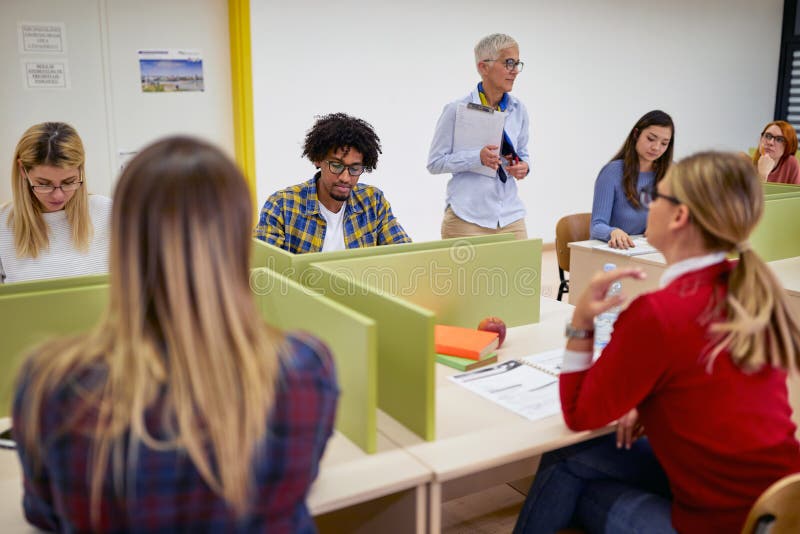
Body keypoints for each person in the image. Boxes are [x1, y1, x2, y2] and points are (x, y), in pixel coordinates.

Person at [13, 137, 339, 531]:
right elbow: (304, 478)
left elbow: (44, 514)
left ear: (123, 244)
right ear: (238, 242)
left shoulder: (53, 384)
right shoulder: (304, 367)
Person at [515, 152, 800, 533]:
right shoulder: (749, 288)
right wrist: (650, 402)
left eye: (657, 198)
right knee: (577, 458)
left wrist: (581, 322)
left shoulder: (659, 313)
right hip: (779, 506)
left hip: (719, 522)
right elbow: (709, 387)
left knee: (575, 476)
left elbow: (579, 414)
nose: (647, 207)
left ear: (679, 217)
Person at [254, 113, 411, 253]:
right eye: (336, 165)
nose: (345, 177)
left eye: (354, 168)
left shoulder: (373, 202)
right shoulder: (282, 205)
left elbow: (403, 256)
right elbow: (263, 270)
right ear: (318, 159)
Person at [427, 33, 530, 240]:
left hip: (511, 216)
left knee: (521, 272)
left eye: (517, 64)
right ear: (483, 67)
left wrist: (524, 167)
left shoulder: (519, 110)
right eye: (509, 63)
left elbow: (523, 154)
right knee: (465, 274)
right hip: (467, 218)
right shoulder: (456, 110)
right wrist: (477, 158)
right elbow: (435, 163)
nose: (515, 71)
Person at [0, 122, 111, 283]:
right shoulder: (3, 224)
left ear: (80, 170)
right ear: (23, 170)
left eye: (69, 181)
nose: (58, 195)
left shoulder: (108, 212)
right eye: (44, 184)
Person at [590, 110, 674, 249]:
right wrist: (613, 232)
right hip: (615, 251)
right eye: (651, 139)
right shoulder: (612, 172)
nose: (656, 147)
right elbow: (596, 225)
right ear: (636, 134)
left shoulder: (671, 173)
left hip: (650, 251)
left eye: (664, 143)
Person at [752, 120, 800, 184]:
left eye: (779, 139)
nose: (770, 142)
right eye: (768, 136)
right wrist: (762, 176)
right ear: (761, 138)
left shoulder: (791, 163)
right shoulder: (746, 164)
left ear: (788, 145)